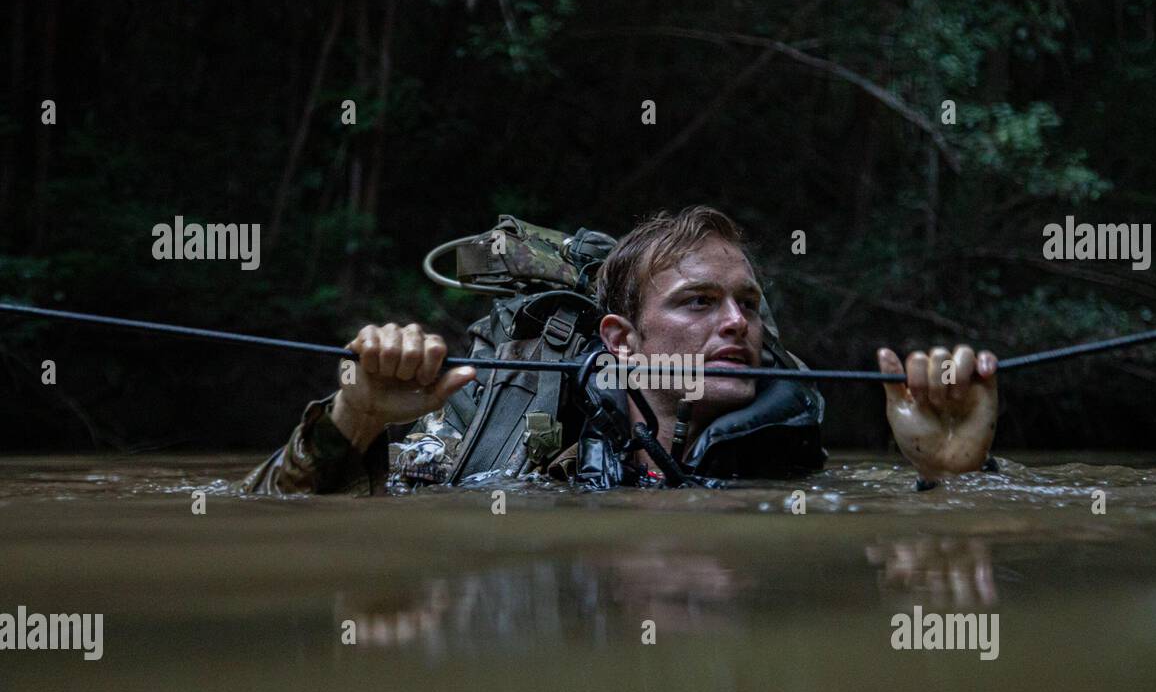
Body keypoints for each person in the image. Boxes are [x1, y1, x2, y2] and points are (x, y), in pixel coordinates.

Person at [242, 206, 998, 495]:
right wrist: (356, 420)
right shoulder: (512, 446)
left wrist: (953, 482)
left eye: (749, 304)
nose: (737, 324)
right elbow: (268, 512)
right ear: (622, 340)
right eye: (699, 302)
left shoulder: (799, 473)